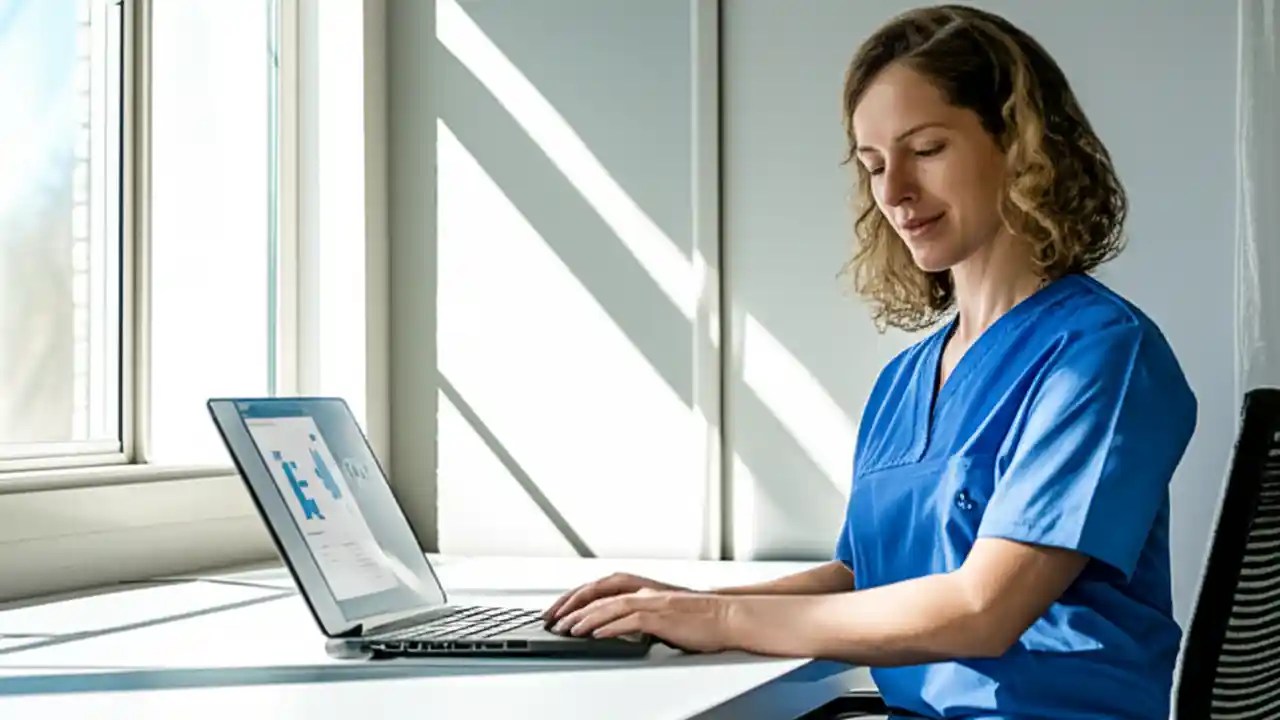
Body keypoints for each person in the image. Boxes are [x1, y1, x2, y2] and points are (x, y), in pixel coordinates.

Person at [541, 5, 1196, 719]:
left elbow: (984, 608)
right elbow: (867, 583)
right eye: (875, 165)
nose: (894, 193)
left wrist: (723, 622)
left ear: (1017, 142)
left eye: (927, 148)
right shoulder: (905, 380)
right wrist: (684, 605)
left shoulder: (1101, 355)